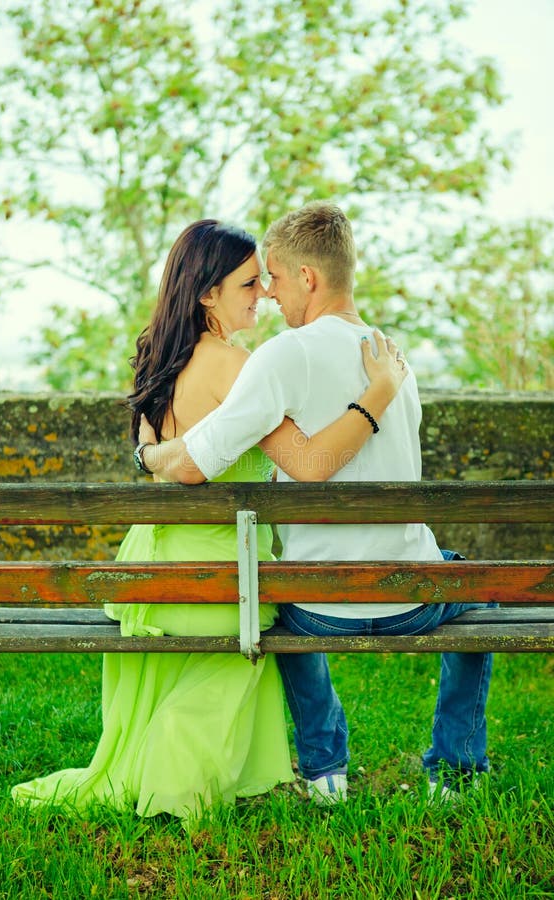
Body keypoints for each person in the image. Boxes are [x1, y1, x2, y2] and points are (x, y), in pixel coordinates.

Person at [12, 218, 406, 823]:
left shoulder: (158, 358)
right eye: (250, 283)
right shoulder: (237, 365)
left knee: (180, 670)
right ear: (208, 294)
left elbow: (166, 460)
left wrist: (149, 457)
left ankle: (150, 771)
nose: (264, 295)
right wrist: (376, 395)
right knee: (242, 647)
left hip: (153, 561)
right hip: (221, 568)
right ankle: (180, 787)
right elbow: (307, 461)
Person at [137, 202, 494, 806]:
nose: (269, 293)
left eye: (273, 277)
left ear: (308, 277)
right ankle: (456, 771)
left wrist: (147, 456)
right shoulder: (391, 357)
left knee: (282, 601)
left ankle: (326, 770)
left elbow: (203, 461)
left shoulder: (283, 356)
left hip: (321, 605)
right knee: (480, 592)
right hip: (413, 596)